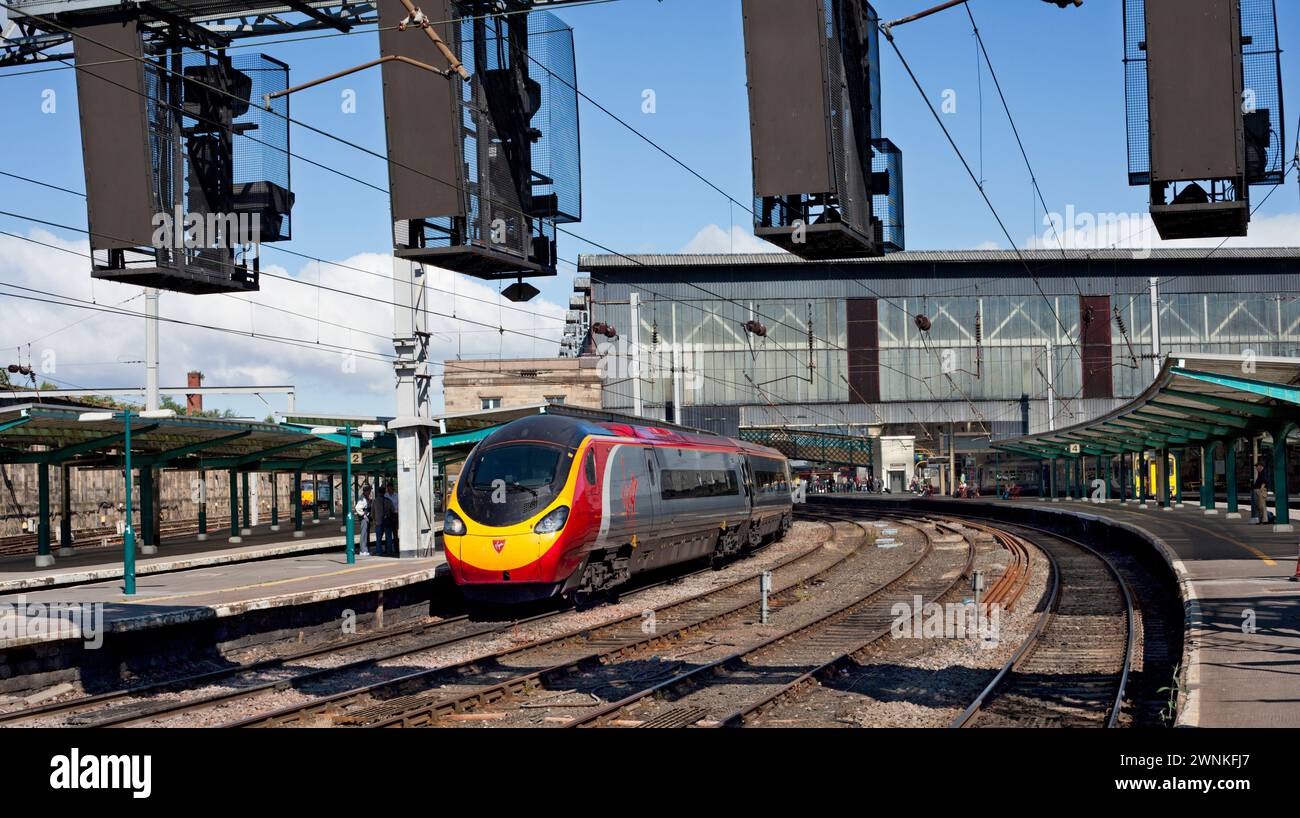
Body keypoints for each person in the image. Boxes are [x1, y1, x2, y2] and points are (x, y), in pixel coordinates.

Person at [356, 484, 373, 556]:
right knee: (364, 533)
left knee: (366, 533)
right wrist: (363, 515)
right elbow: (357, 508)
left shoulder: (366, 498)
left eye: (370, 490)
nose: (369, 492)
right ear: (365, 491)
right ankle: (363, 550)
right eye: (369, 490)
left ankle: (366, 549)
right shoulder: (361, 498)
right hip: (364, 518)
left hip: (366, 517)